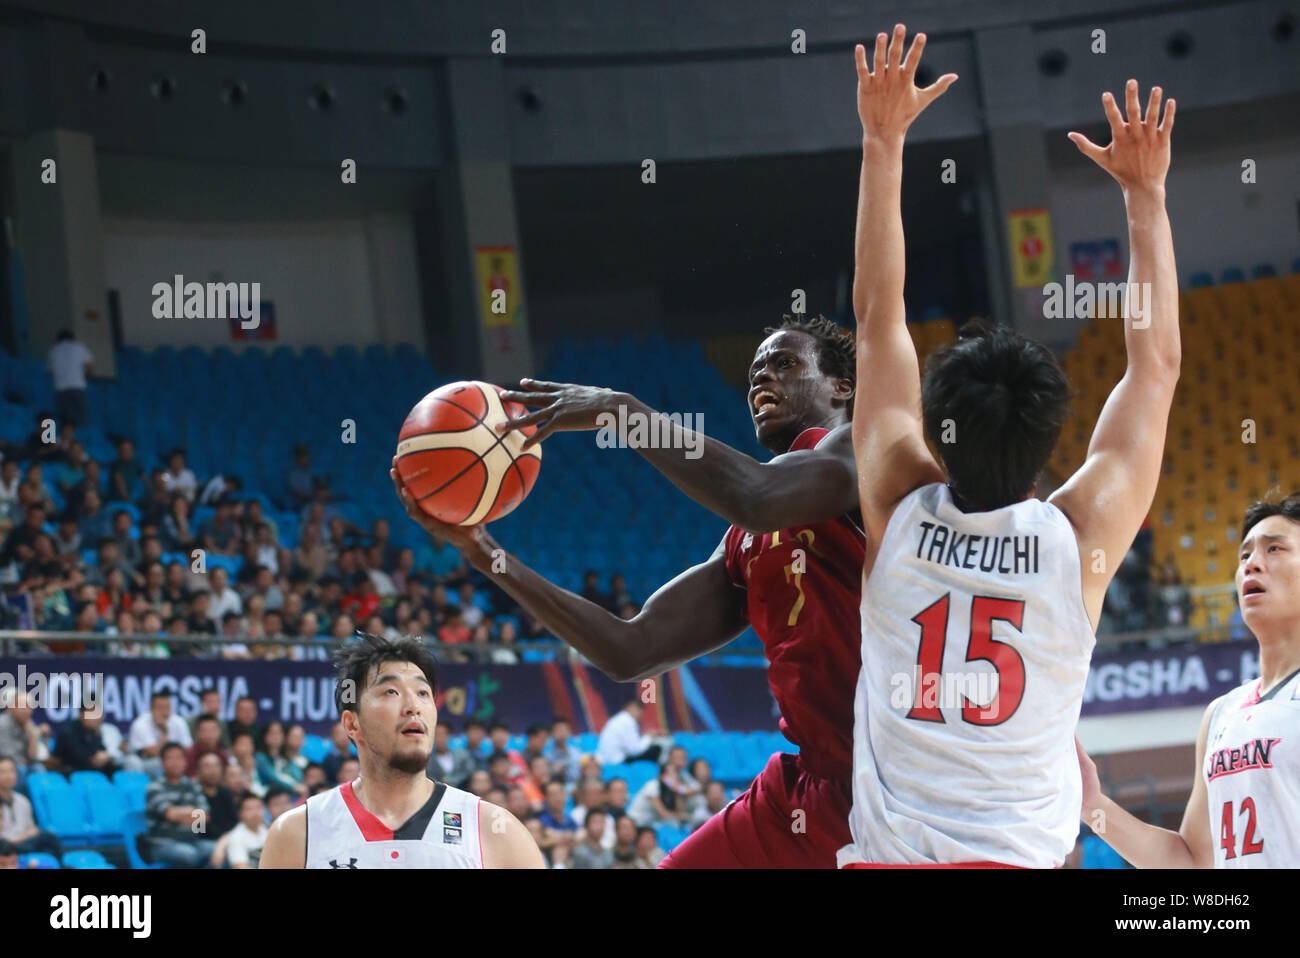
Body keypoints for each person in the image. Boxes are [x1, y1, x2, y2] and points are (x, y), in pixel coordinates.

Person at [839, 27, 1177, 869]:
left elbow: (878, 315)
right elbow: (1156, 366)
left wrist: (883, 143)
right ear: (1048, 447)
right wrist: (1146, 196)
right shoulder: (1079, 541)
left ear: (938, 437)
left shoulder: (898, 503)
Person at [401, 279, 867, 868]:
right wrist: (485, 553)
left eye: (782, 362)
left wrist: (620, 411)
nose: (761, 378)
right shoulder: (746, 542)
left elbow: (757, 493)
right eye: (753, 371)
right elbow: (630, 650)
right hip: (808, 787)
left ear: (842, 386)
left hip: (895, 782)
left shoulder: (864, 451)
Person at [1078, 494, 1300, 867]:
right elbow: (1193, 860)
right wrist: (1092, 806)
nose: (1252, 564)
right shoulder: (1220, 714)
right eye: (1244, 556)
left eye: (1274, 549)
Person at [259, 633, 544, 868]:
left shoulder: (496, 831)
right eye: (391, 692)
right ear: (352, 723)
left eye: (423, 693)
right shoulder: (298, 833)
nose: (413, 706)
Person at [145, 742, 216, 868]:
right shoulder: (155, 787)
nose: (175, 762)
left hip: (192, 841)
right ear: (162, 762)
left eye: (179, 758)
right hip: (162, 845)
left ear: (185, 761)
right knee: (189, 855)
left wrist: (181, 814)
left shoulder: (193, 785)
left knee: (218, 850)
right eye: (170, 758)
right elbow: (170, 814)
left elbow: (205, 816)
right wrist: (191, 811)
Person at [0, 756, 62, 859]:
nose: (9, 776)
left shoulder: (23, 801)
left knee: (50, 839)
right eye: (3, 772)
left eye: (12, 771)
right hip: (4, 847)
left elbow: (31, 829)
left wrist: (27, 836)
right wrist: (24, 837)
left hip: (22, 844)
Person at [127, 691, 193, 776]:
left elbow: (188, 749)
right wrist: (165, 732)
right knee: (163, 763)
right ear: (152, 709)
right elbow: (154, 753)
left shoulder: (179, 722)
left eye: (167, 707)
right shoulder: (140, 724)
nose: (164, 712)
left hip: (172, 761)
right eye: (160, 708)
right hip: (145, 763)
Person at [46, 329, 93, 430]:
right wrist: (86, 376)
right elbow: (89, 365)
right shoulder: (79, 347)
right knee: (81, 415)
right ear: (73, 337)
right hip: (77, 385)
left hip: (61, 388)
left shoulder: (53, 350)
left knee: (67, 417)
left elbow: (50, 372)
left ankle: (69, 436)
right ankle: (82, 437)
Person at [225, 793, 269, 869]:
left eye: (259, 807)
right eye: (249, 809)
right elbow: (240, 866)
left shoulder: (268, 829)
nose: (255, 812)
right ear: (240, 813)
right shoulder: (236, 836)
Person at [427, 720, 473, 788]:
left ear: (449, 736)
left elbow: (468, 772)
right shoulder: (428, 760)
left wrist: (454, 780)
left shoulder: (462, 755)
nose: (440, 738)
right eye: (437, 735)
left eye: (443, 734)